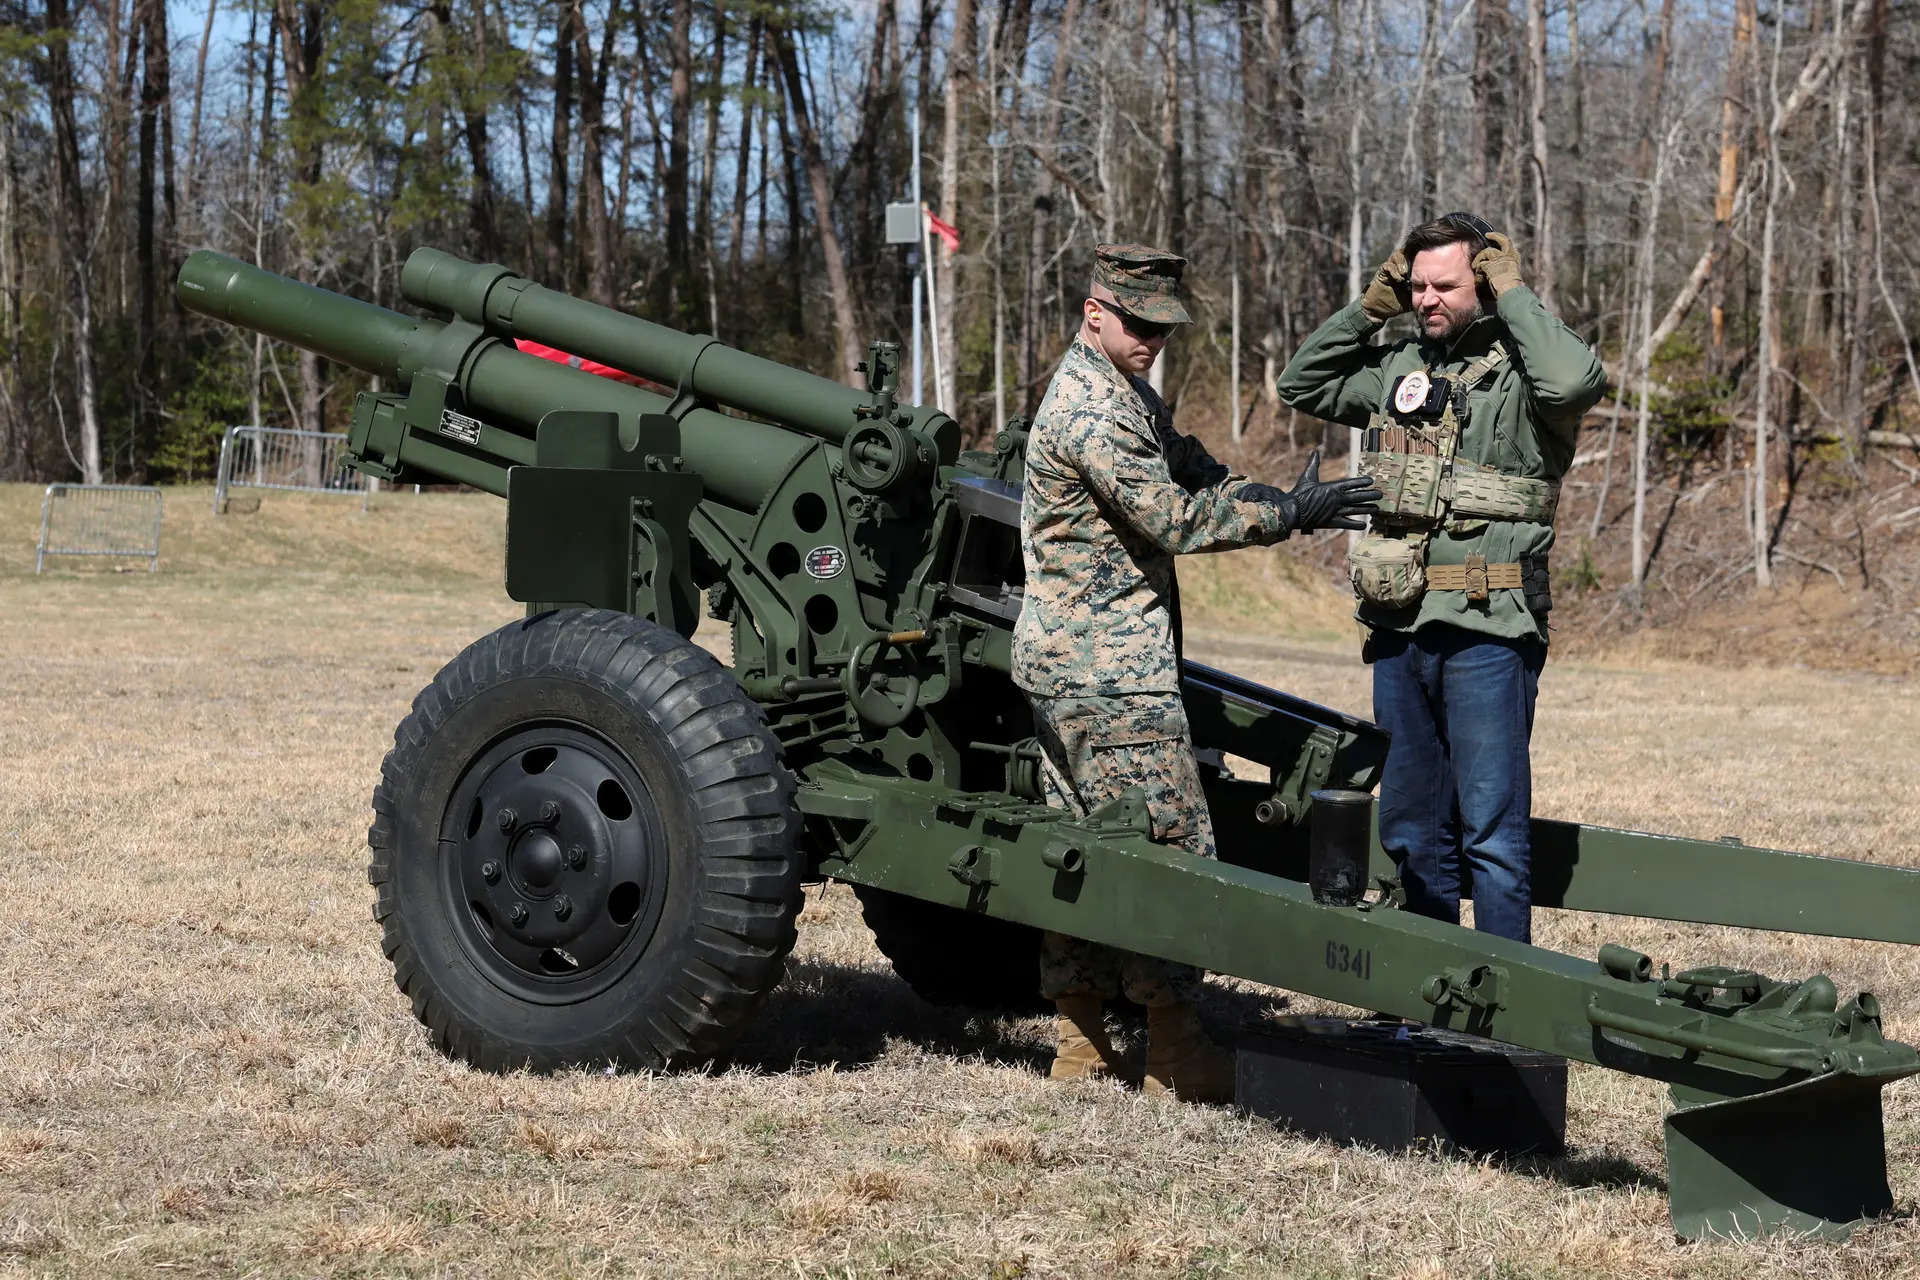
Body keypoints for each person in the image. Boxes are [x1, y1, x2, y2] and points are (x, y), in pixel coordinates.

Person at [1014, 243, 1380, 1101]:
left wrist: (1252, 489)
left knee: (1083, 850)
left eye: (1163, 329)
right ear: (1093, 312)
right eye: (1137, 325)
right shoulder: (1092, 410)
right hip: (1110, 675)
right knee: (1172, 852)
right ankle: (1172, 1054)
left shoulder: (1118, 389)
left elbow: (1183, 462)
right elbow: (1173, 519)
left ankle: (1080, 1042)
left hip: (1070, 664)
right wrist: (1288, 516)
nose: (1152, 341)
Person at [1276, 214, 1606, 944]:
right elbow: (1301, 382)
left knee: (1489, 831)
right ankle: (1421, 1006)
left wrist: (1514, 291)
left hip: (1490, 627)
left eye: (1444, 285)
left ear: (1484, 283)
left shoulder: (1528, 372)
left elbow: (1577, 379)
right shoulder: (1401, 368)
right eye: (1416, 285)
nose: (1426, 298)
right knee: (1410, 831)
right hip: (1399, 627)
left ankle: (1503, 1014)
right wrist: (1369, 308)